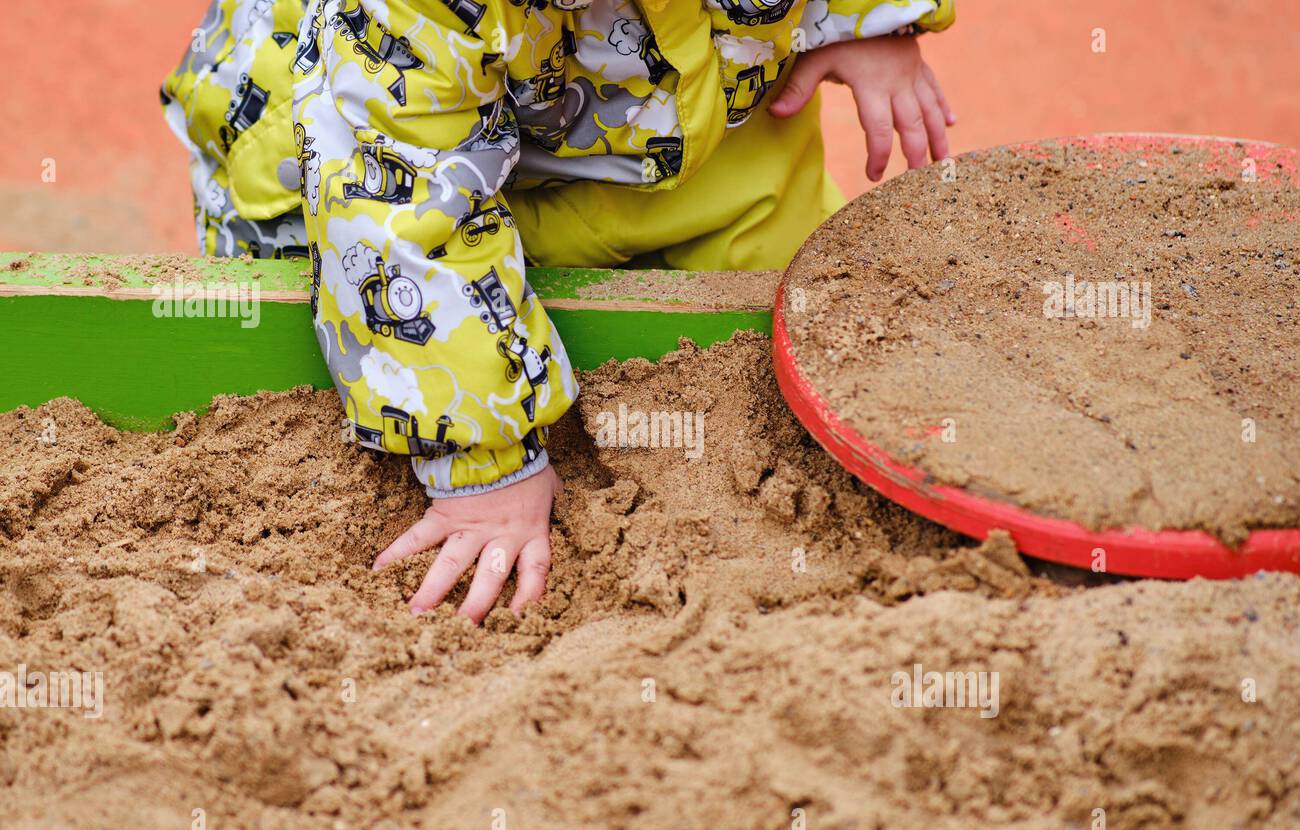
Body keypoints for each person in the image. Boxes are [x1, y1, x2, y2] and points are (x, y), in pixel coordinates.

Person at [162, 0, 956, 621]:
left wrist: (870, 19)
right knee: (335, 290)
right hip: (374, 128)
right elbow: (395, 208)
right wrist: (483, 465)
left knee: (784, 296)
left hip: (688, 108)